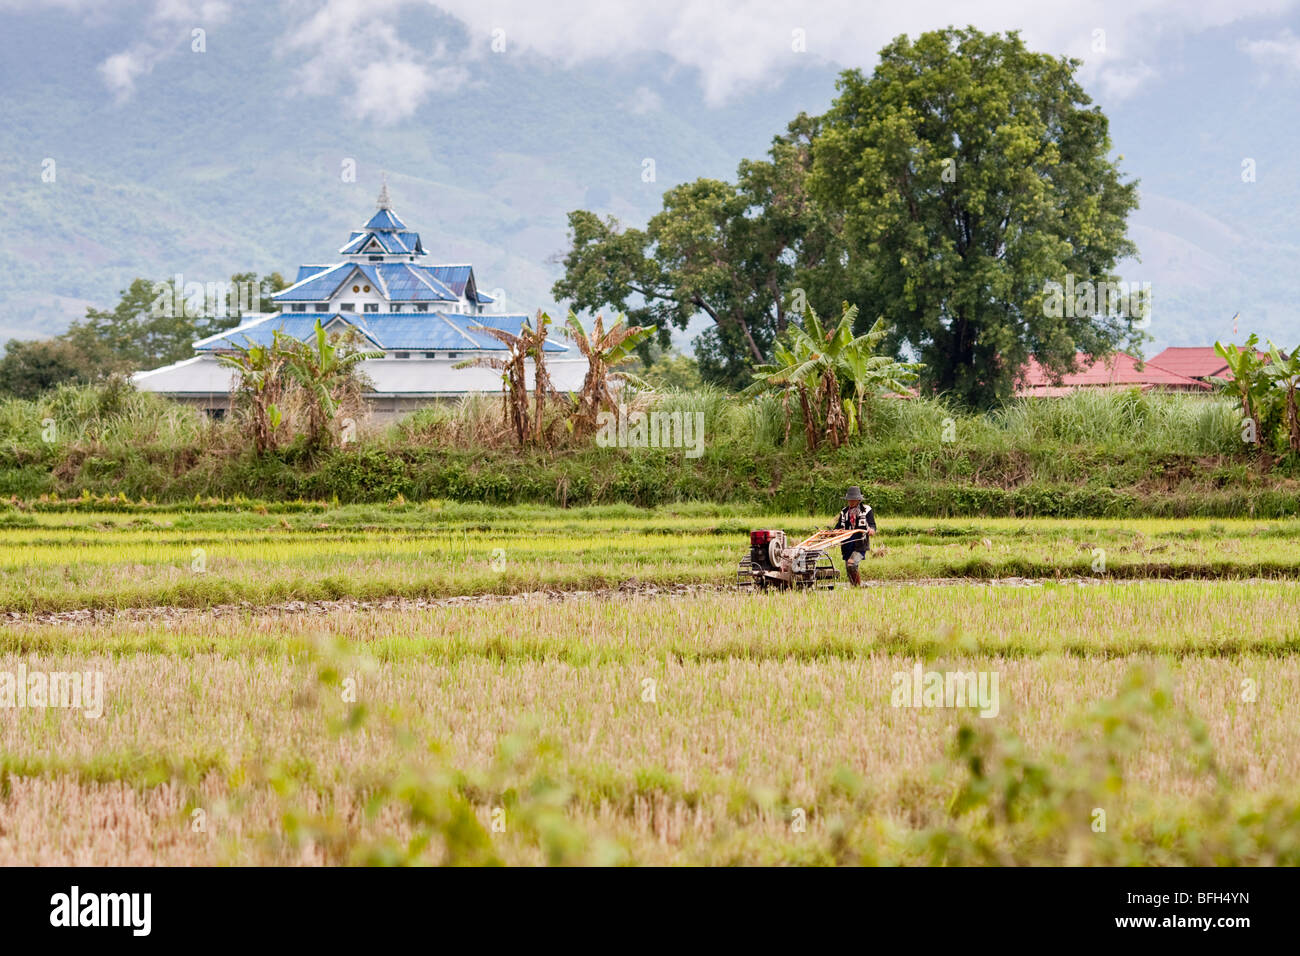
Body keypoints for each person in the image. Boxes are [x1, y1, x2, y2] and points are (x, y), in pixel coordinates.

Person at [833, 487, 876, 587]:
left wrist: (871, 530)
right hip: (847, 544)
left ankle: (858, 586)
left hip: (859, 543)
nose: (851, 501)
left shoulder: (866, 510)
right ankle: (855, 587)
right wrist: (834, 532)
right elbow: (838, 526)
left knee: (851, 564)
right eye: (850, 499)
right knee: (849, 568)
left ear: (858, 500)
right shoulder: (844, 512)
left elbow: (872, 525)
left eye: (853, 499)